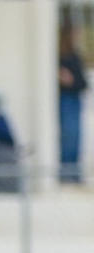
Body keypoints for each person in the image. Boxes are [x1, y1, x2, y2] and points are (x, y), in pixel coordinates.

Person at [59, 25, 88, 183]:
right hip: (66, 100)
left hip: (74, 99)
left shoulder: (75, 56)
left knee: (75, 136)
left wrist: (71, 81)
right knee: (68, 136)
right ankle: (66, 173)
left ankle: (73, 172)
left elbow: (81, 83)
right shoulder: (62, 57)